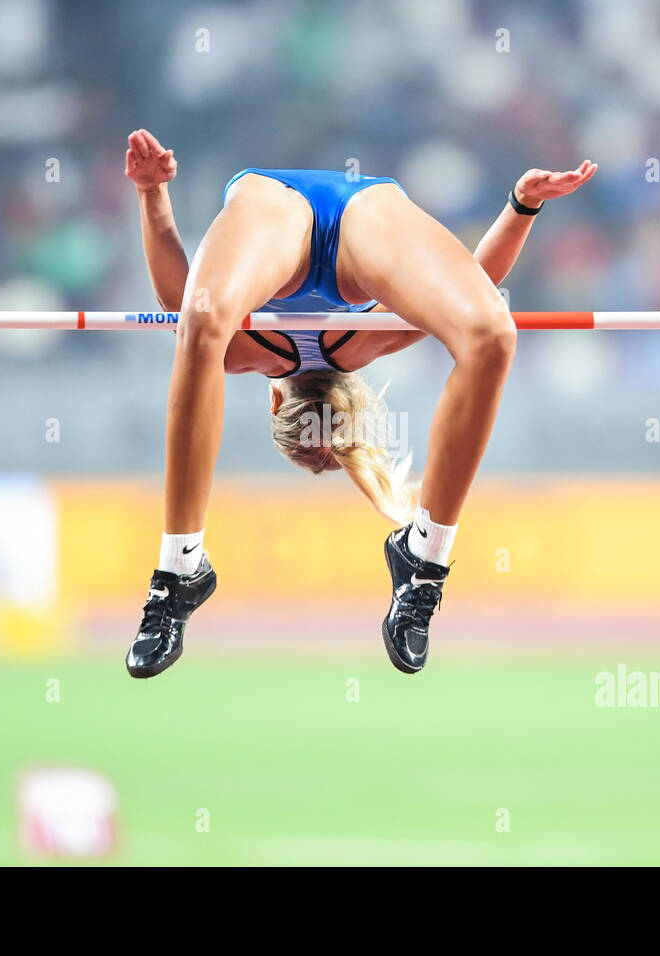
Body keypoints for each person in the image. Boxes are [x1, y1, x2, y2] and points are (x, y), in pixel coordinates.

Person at [123, 129, 596, 678]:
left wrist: (522, 206)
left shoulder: (368, 341)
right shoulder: (252, 353)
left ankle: (183, 569)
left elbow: (480, 283)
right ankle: (421, 560)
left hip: (318, 217)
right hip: (335, 218)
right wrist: (151, 192)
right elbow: (176, 296)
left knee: (491, 333)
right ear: (275, 402)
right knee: (200, 320)